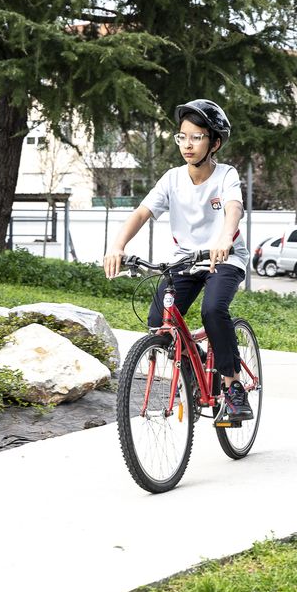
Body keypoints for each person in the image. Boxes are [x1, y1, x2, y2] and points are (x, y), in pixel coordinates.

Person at [103, 99, 253, 424]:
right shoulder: (172, 179)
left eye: (196, 137)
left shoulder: (225, 175)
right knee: (159, 320)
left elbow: (234, 209)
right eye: (182, 136)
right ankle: (197, 368)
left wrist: (225, 238)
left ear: (214, 143)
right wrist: (117, 246)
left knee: (213, 310)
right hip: (185, 261)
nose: (187, 144)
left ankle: (233, 386)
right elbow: (141, 213)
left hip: (224, 258)